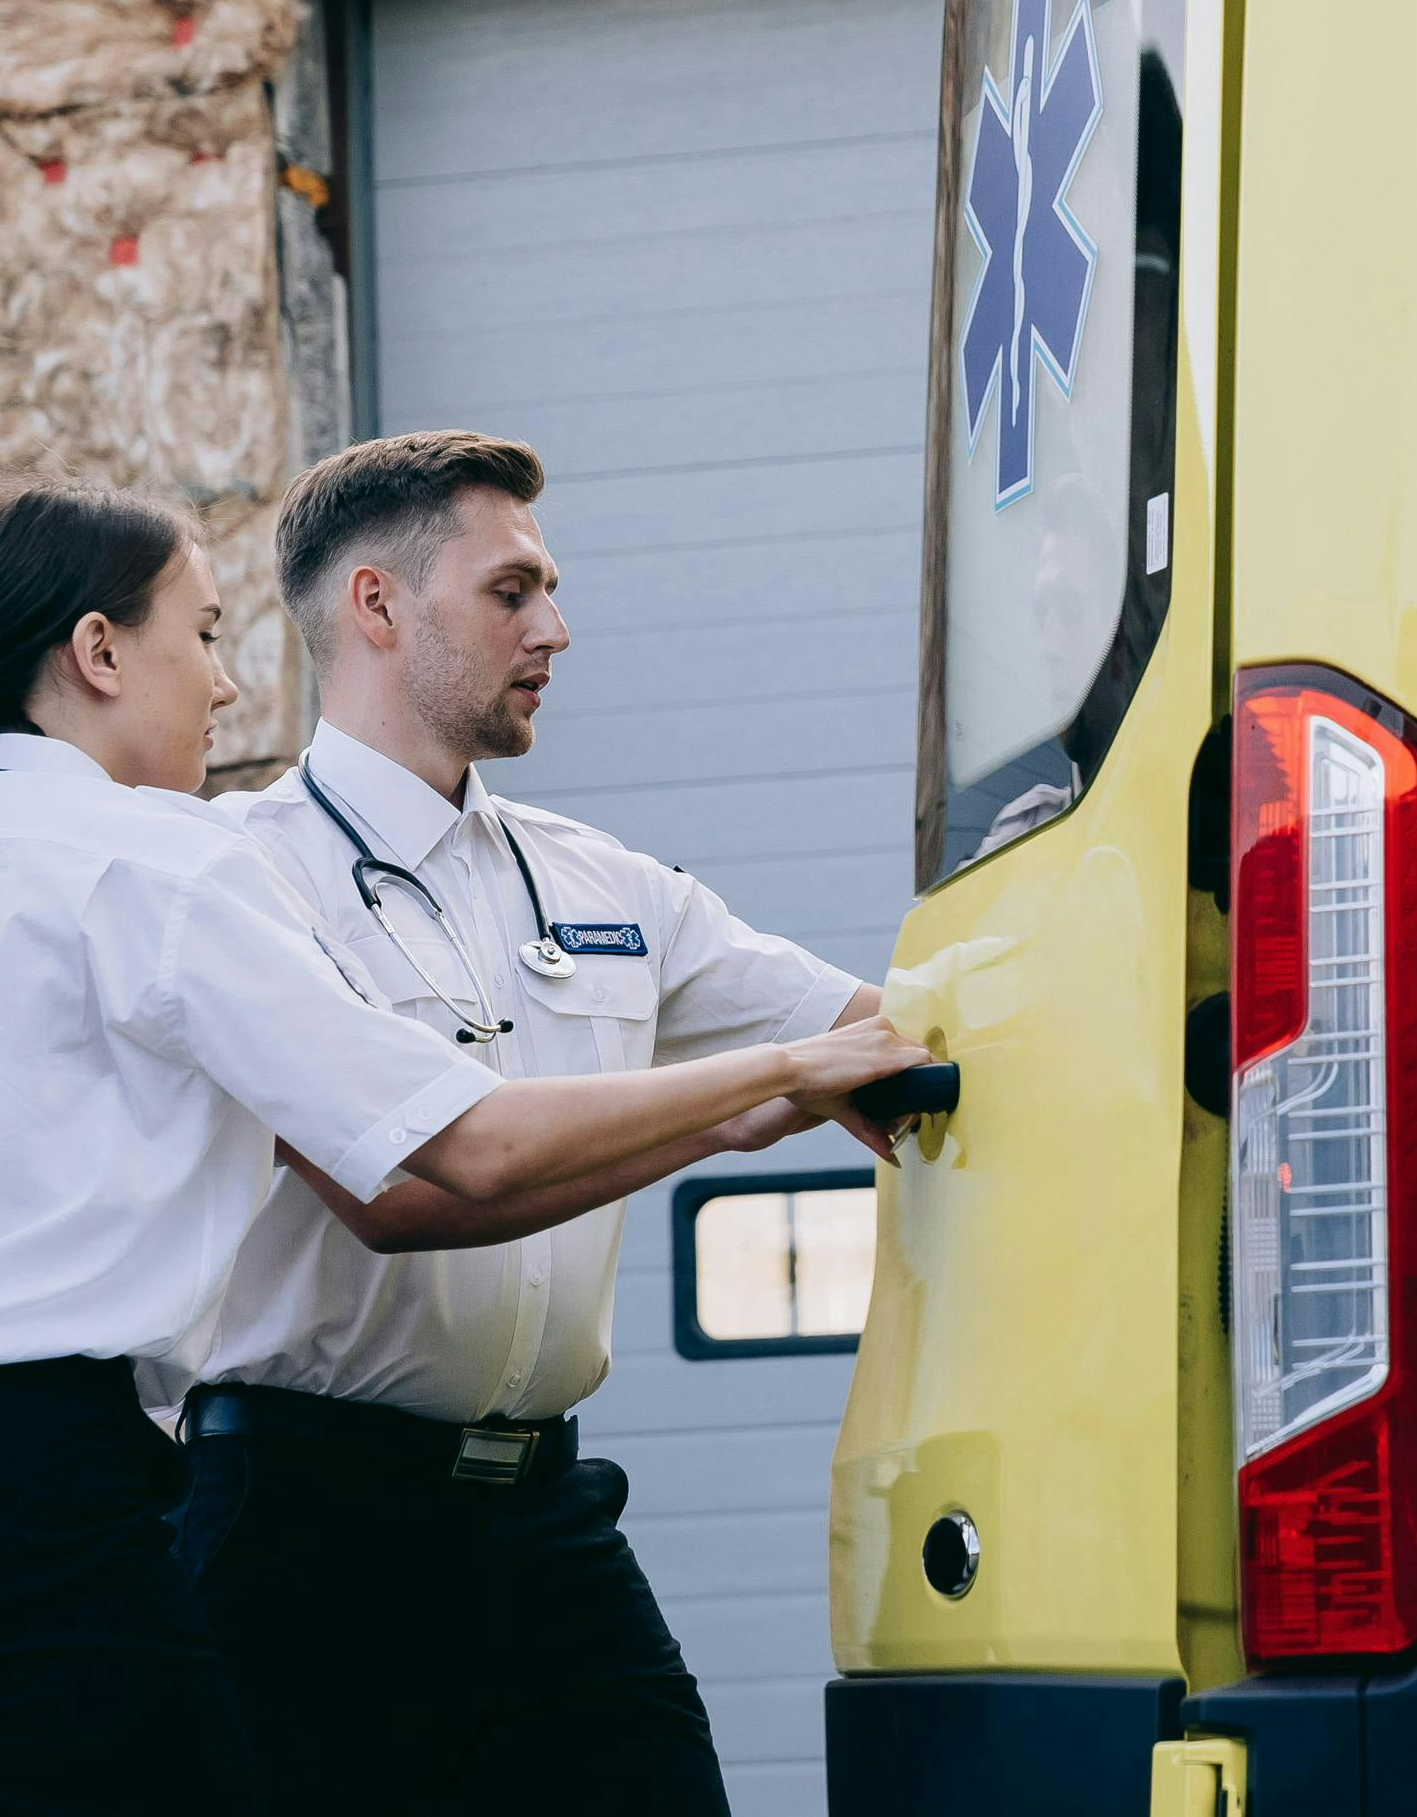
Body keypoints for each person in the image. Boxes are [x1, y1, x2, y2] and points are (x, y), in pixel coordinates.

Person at [0, 477, 921, 1817]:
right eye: (198, 638)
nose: (220, 687)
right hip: (35, 1486)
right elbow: (456, 1155)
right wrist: (786, 1075)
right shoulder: (164, 864)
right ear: (97, 654)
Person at [153, 430, 894, 1817]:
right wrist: (744, 1098)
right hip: (309, 1527)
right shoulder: (234, 885)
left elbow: (874, 1035)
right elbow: (411, 1195)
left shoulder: (604, 884)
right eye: (512, 592)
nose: (556, 627)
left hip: (546, 1522)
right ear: (377, 605)